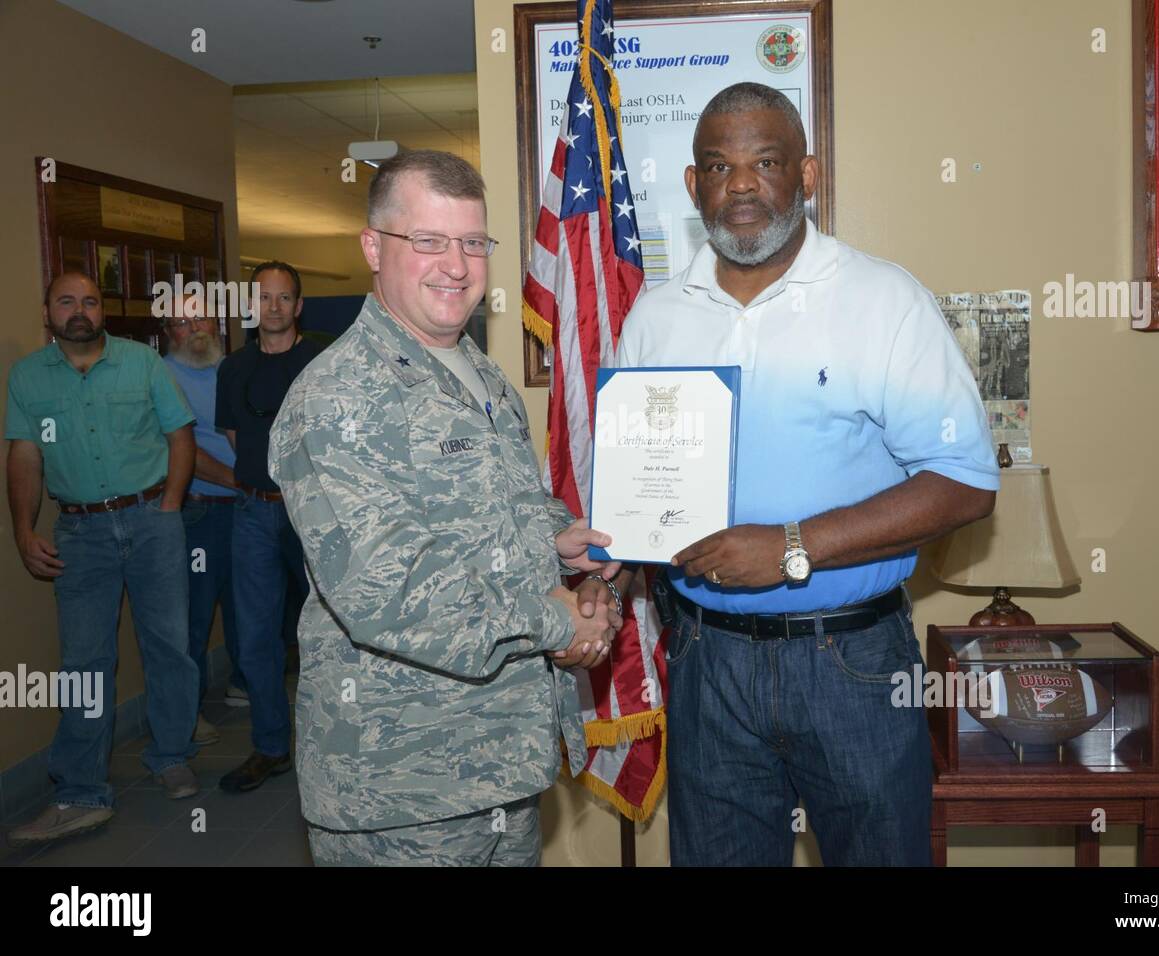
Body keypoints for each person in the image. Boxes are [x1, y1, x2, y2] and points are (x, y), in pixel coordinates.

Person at [608, 83, 1001, 866]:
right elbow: (637, 487)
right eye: (719, 166)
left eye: (766, 162)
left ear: (808, 175)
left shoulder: (884, 299)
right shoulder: (655, 315)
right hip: (705, 659)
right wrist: (605, 569)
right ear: (694, 186)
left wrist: (794, 544)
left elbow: (965, 481)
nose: (743, 185)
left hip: (851, 665)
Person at [269, 149, 620, 866]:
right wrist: (559, 619)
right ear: (374, 247)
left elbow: (508, 505)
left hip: (500, 762)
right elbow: (387, 585)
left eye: (471, 243)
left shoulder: (478, 371)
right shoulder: (336, 396)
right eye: (427, 241)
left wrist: (561, 542)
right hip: (399, 790)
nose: (455, 266)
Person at [5, 272, 201, 846]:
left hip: (151, 520)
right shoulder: (27, 378)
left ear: (103, 312)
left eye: (90, 300)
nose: (80, 310)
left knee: (169, 644)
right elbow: (24, 457)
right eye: (67, 301)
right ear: (48, 313)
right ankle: (81, 793)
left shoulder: (142, 363)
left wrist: (169, 507)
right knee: (84, 661)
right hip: (81, 534)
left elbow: (180, 436)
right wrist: (23, 532)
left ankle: (171, 755)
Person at [214, 261, 321, 793]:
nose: (273, 307)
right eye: (263, 298)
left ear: (298, 307)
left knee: (327, 631)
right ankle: (271, 747)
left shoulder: (324, 362)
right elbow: (238, 439)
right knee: (256, 637)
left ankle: (333, 748)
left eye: (283, 298)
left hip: (314, 515)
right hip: (255, 512)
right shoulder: (232, 369)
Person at [162, 294, 244, 744]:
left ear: (217, 323)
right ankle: (185, 716)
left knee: (246, 606)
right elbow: (184, 447)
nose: (193, 328)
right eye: (180, 321)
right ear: (167, 332)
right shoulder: (163, 376)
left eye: (201, 318)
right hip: (200, 512)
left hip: (245, 509)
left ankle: (244, 683)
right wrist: (241, 479)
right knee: (192, 616)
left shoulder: (232, 369)